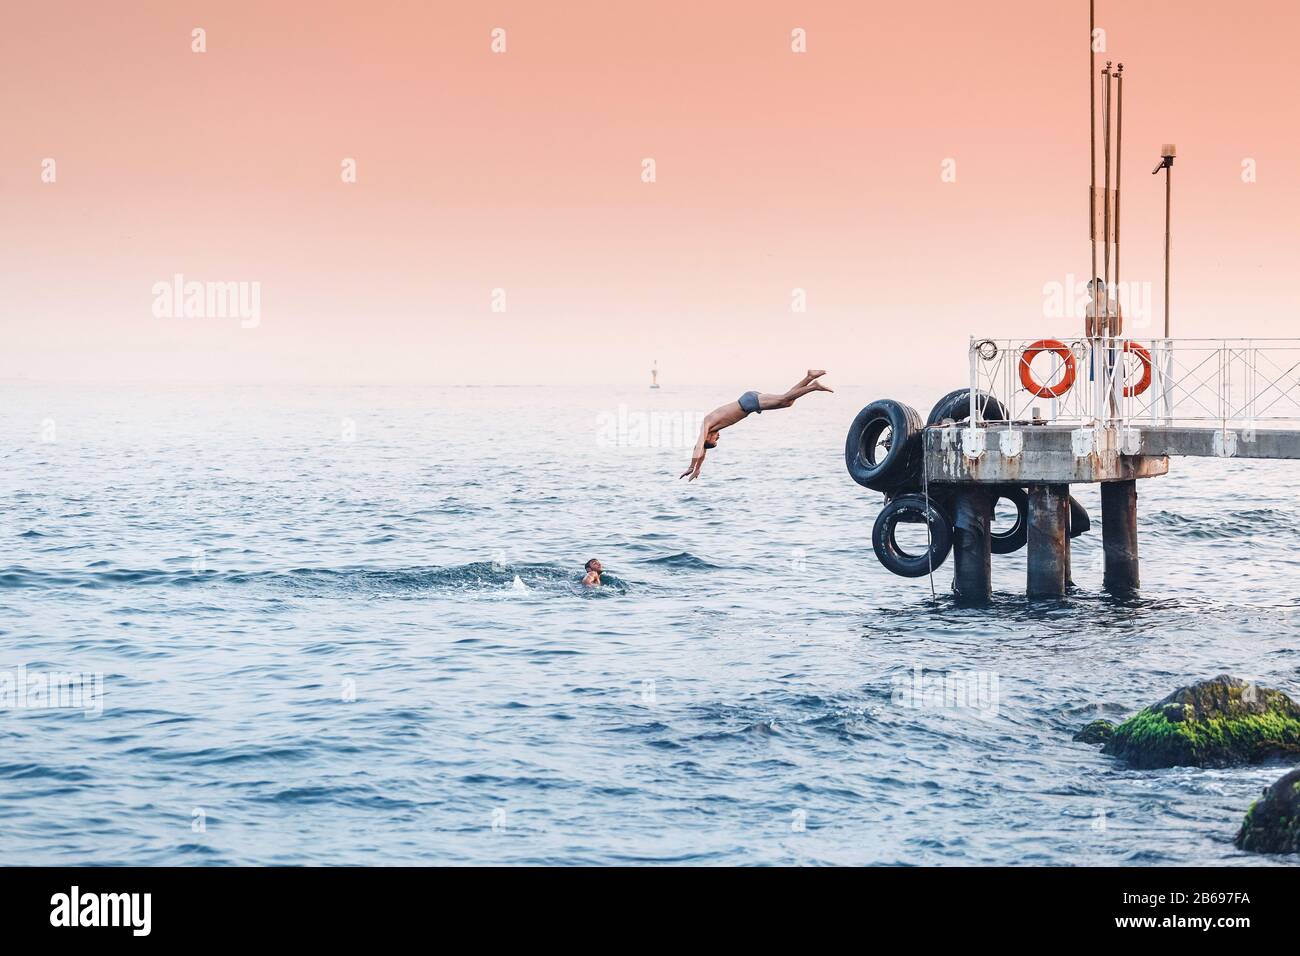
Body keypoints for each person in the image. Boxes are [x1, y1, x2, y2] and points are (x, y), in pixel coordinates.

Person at [679, 370, 832, 481]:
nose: (718, 437)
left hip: (747, 402)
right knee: (787, 402)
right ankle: (809, 377)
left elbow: (698, 447)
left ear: (708, 438)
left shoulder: (706, 424)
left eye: (715, 440)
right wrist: (698, 468)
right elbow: (703, 452)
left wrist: (691, 466)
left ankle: (813, 386)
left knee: (784, 399)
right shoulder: (711, 428)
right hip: (749, 405)